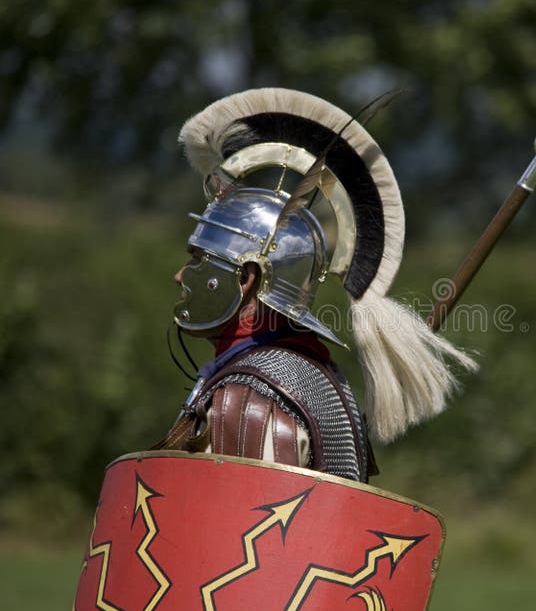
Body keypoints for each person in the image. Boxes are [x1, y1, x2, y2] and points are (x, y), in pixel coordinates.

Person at [154, 88, 477, 483]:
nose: (180, 275)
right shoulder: (319, 375)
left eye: (198, 260)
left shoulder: (248, 399)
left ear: (247, 278)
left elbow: (251, 538)